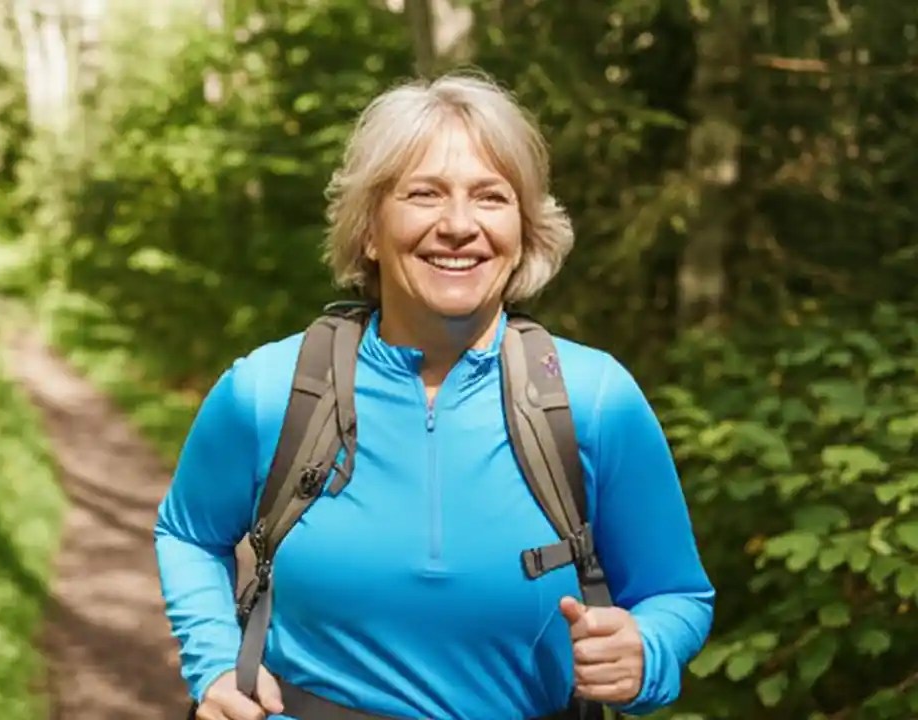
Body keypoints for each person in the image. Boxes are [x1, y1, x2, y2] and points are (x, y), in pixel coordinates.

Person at [153, 70, 715, 720]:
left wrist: (647, 652)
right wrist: (215, 664)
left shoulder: (594, 399)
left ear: (524, 230)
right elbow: (186, 533)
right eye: (424, 194)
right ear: (369, 229)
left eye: (490, 198)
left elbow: (677, 595)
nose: (458, 225)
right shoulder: (269, 391)